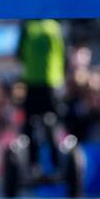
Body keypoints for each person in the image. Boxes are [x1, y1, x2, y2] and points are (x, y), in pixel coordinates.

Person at [16, 18, 66, 180]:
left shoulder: (28, 27)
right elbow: (63, 55)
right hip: (52, 83)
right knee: (53, 122)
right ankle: (57, 164)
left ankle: (33, 165)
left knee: (30, 124)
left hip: (32, 82)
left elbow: (19, 55)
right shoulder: (55, 28)